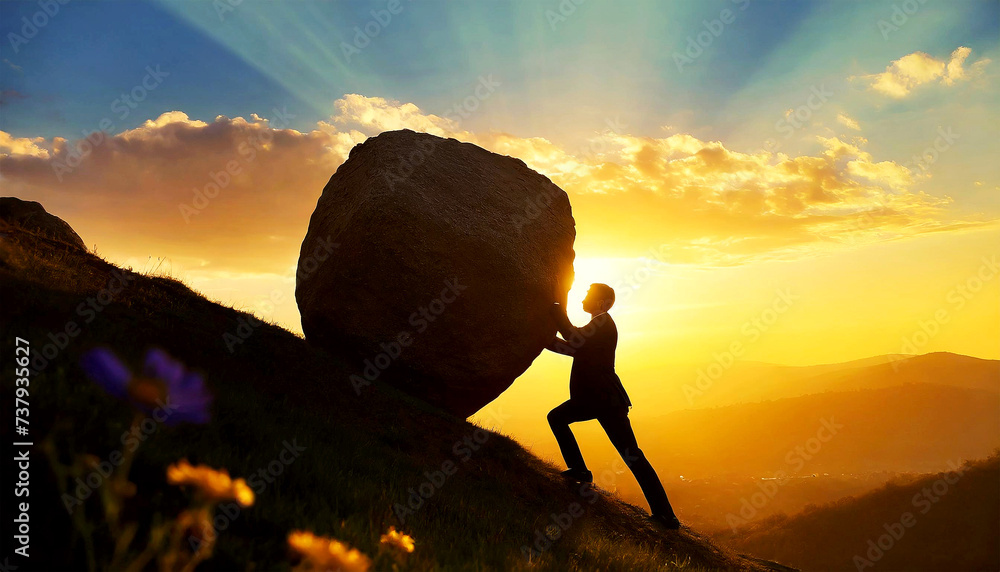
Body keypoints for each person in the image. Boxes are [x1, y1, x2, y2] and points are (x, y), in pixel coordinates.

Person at [546, 283, 681, 530]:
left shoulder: (602, 323)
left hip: (606, 401)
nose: (584, 298)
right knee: (556, 417)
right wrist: (543, 340)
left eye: (589, 295)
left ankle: (666, 516)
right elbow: (572, 348)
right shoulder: (597, 326)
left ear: (603, 303)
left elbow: (572, 339)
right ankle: (579, 471)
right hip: (595, 400)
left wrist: (556, 310)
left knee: (632, 455)